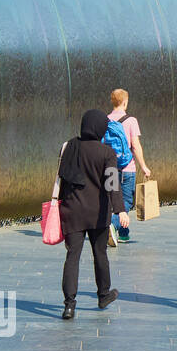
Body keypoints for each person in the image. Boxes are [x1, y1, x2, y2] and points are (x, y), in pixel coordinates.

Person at [55, 110, 126, 320]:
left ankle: (69, 305)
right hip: (98, 213)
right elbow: (112, 184)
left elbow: (62, 179)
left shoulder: (68, 147)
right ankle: (103, 295)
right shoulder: (106, 152)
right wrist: (120, 209)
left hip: (72, 211)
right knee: (100, 254)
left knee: (72, 257)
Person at [107, 89, 152, 245]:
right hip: (127, 168)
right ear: (125, 102)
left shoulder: (105, 120)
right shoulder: (131, 120)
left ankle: (124, 233)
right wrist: (144, 167)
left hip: (109, 169)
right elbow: (135, 146)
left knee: (113, 200)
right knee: (126, 201)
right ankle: (112, 225)